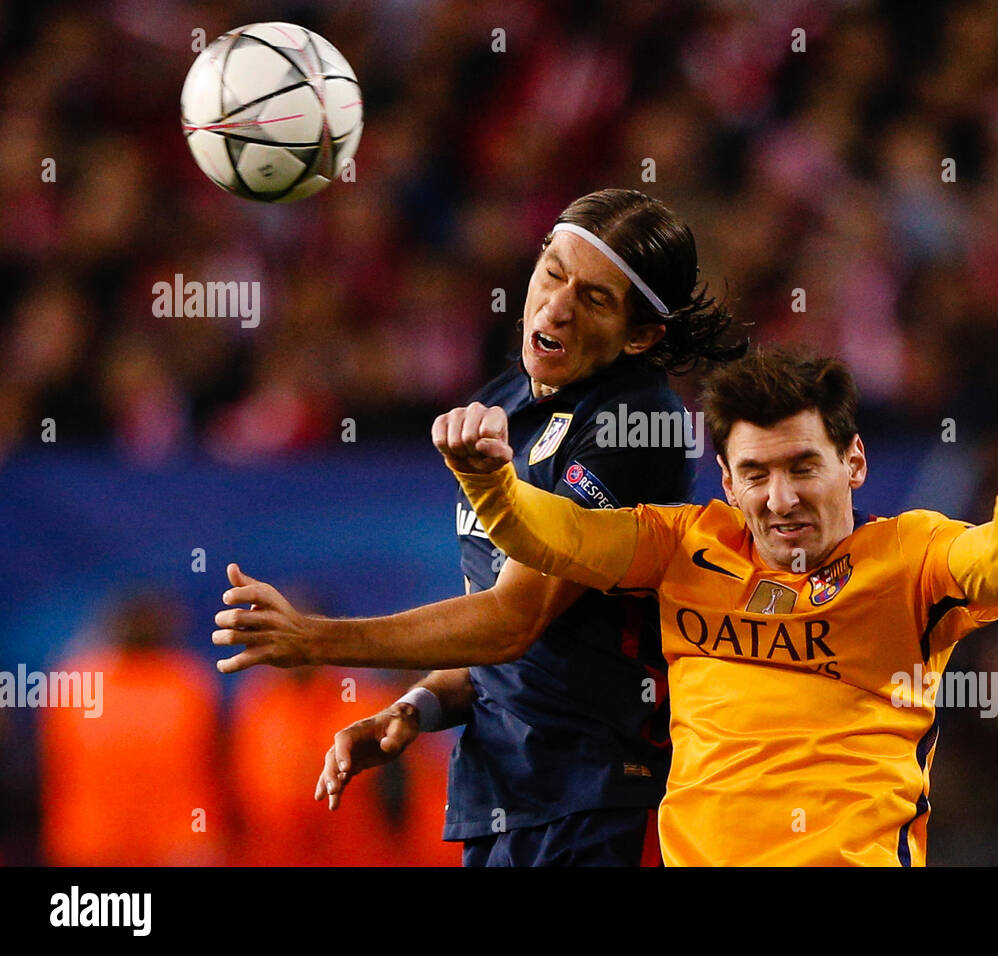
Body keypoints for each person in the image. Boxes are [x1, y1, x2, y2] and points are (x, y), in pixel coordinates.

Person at [212, 188, 744, 866]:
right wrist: (416, 708)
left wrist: (315, 640)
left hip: (597, 800)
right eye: (552, 272)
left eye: (596, 298)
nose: (555, 307)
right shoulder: (502, 403)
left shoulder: (638, 424)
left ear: (640, 336)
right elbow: (511, 647)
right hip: (501, 795)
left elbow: (513, 619)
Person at [434, 338, 998, 865]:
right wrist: (490, 480)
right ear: (726, 480)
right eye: (755, 474)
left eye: (802, 467)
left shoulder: (914, 557)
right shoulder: (683, 545)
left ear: (855, 463)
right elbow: (556, 537)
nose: (780, 499)